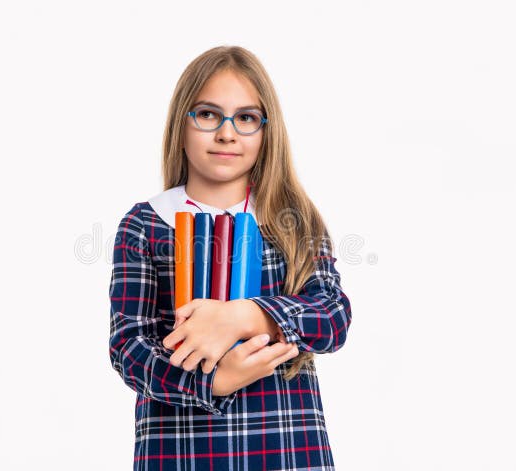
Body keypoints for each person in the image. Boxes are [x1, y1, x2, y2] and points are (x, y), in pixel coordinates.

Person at [108, 45, 353, 471]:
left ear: (265, 130)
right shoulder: (146, 223)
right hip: (180, 450)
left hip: (287, 444)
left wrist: (248, 316)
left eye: (245, 117)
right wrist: (215, 381)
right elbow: (128, 348)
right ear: (180, 124)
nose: (227, 133)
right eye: (207, 114)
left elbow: (332, 316)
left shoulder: (291, 218)